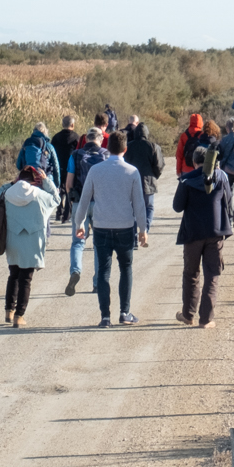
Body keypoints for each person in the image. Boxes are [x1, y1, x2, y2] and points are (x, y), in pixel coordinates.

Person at [72, 134, 150, 327]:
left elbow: (84, 199)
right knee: (126, 269)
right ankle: (125, 312)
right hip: (124, 226)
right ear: (125, 149)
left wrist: (79, 223)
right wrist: (142, 229)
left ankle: (105, 317)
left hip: (101, 227)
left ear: (108, 147)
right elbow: (139, 204)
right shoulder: (132, 172)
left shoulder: (96, 170)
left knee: (104, 272)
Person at [172, 146, 234, 326]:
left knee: (191, 274)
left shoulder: (186, 180)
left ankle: (188, 315)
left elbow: (177, 207)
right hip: (215, 232)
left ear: (194, 162)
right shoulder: (221, 178)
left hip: (193, 233)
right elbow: (228, 201)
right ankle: (206, 319)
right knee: (212, 274)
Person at [0, 164, 61, 327]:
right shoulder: (40, 194)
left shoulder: (8, 193)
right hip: (33, 240)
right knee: (26, 279)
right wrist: (46, 181)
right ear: (35, 180)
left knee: (13, 275)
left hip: (13, 239)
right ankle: (19, 316)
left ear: (19, 178)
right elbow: (56, 199)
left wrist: (11, 183)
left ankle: (9, 311)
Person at [60, 129, 110, 296]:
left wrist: (71, 200)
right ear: (101, 139)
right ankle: (97, 283)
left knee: (77, 242)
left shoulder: (75, 155)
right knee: (98, 244)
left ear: (86, 139)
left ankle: (75, 271)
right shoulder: (106, 154)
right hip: (100, 204)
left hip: (80, 202)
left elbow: (68, 184)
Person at [124, 116, 162, 215]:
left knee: (133, 207)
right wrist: (154, 175)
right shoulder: (154, 147)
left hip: (133, 181)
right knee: (149, 207)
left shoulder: (129, 147)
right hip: (148, 182)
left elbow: (125, 164)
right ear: (147, 133)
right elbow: (159, 165)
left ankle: (135, 229)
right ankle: (145, 228)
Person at [18, 122, 63, 190]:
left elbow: (18, 165)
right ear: (45, 132)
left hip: (28, 179)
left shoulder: (26, 145)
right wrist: (57, 185)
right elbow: (56, 167)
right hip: (45, 177)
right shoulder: (49, 146)